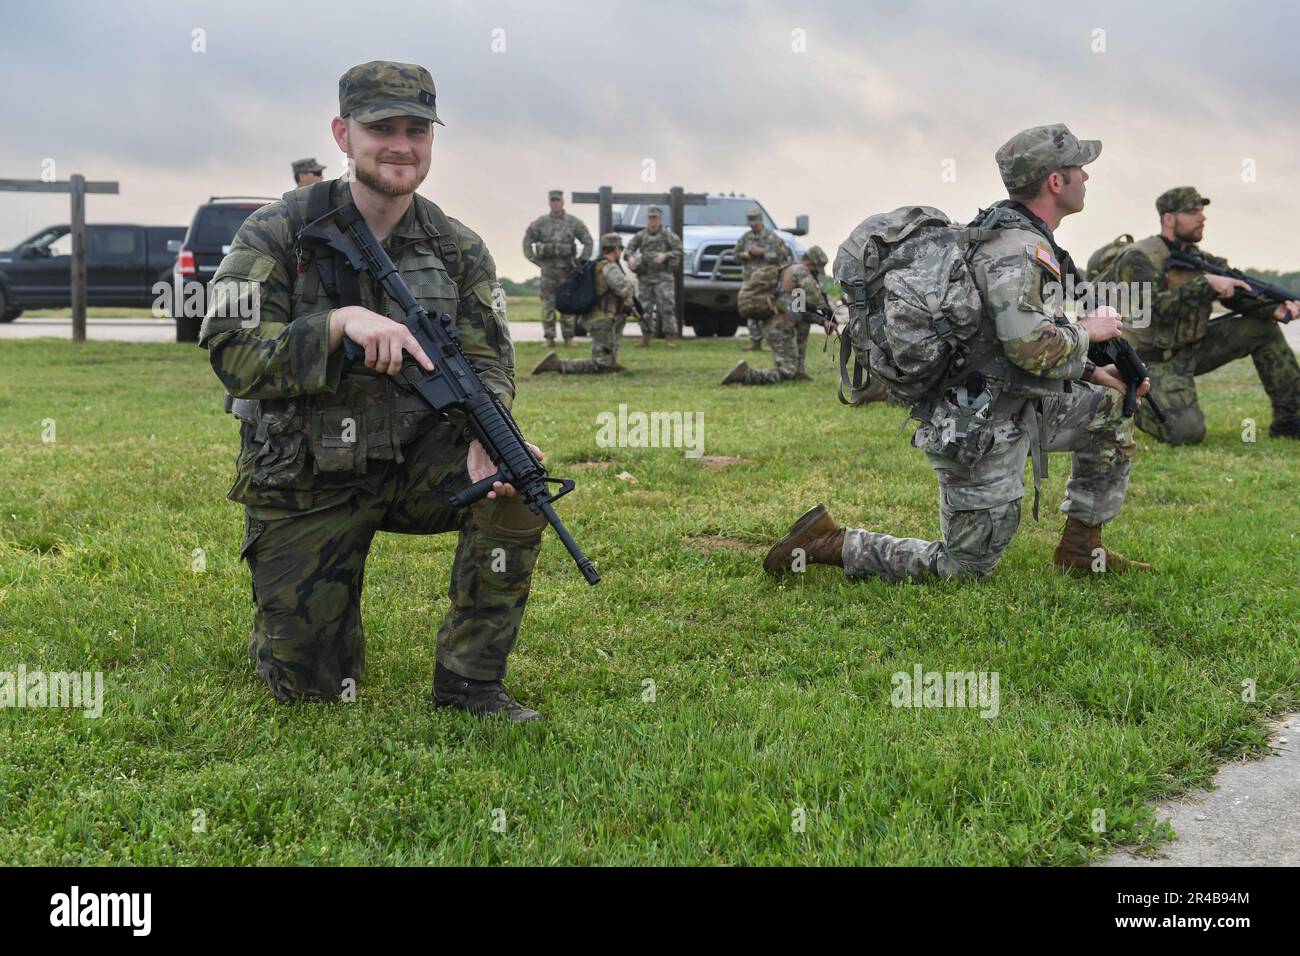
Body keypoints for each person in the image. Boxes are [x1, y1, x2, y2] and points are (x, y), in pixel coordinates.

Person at [200, 60, 546, 721]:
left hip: (416, 459)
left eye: (417, 130)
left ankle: (471, 683)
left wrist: (487, 434)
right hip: (306, 472)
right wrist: (335, 326)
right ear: (342, 133)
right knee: (314, 687)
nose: (400, 145)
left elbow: (489, 359)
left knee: (519, 481)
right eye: (380, 127)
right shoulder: (277, 231)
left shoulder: (458, 246)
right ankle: (289, 619)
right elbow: (231, 352)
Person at [766, 124, 1151, 583]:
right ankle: (828, 541)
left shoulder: (1012, 236)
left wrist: (1093, 373)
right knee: (963, 568)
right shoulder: (1016, 250)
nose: (1086, 178)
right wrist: (1088, 330)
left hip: (1012, 404)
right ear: (1054, 181)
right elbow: (1029, 346)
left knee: (1111, 407)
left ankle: (1081, 548)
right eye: (1079, 170)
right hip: (976, 423)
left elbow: (996, 342)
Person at [1108, 187, 1300, 443]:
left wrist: (1274, 308)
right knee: (1187, 434)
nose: (1202, 217)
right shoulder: (1140, 257)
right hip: (1150, 360)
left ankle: (1290, 420)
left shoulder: (1199, 259)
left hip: (1191, 349)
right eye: (1192, 212)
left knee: (1261, 327)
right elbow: (1152, 311)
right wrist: (1206, 285)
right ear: (1168, 218)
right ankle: (1131, 398)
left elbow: (1239, 292)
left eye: (1201, 211)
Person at [722, 246, 834, 384]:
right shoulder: (800, 271)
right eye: (815, 270)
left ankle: (799, 372)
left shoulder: (788, 272)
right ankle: (745, 375)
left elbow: (802, 312)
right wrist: (828, 311)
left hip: (776, 326)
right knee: (786, 373)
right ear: (810, 264)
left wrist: (823, 321)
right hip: (779, 327)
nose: (814, 274)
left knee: (803, 326)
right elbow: (815, 298)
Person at [532, 233, 636, 375]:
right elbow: (624, 288)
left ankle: (612, 364)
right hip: (601, 320)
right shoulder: (609, 267)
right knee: (601, 366)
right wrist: (630, 295)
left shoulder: (593, 266)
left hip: (593, 318)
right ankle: (556, 364)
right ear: (616, 249)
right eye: (620, 249)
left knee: (609, 362)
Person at [522, 190, 593, 349]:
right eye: (552, 200)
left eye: (558, 200)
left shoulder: (573, 222)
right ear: (549, 202)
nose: (555, 203)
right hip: (548, 271)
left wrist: (582, 261)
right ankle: (549, 338)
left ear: (562, 202)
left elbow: (587, 240)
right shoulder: (541, 223)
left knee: (566, 304)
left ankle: (568, 338)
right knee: (548, 305)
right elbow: (527, 241)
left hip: (567, 271)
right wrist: (534, 259)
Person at [732, 208, 791, 350]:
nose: (753, 225)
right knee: (751, 310)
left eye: (755, 222)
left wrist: (764, 253)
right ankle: (755, 342)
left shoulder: (772, 237)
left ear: (760, 220)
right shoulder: (746, 237)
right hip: (750, 281)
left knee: (769, 310)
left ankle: (773, 341)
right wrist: (748, 254)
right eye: (751, 223)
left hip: (767, 282)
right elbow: (735, 255)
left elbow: (783, 255)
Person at [626, 205, 684, 347]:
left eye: (655, 218)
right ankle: (646, 338)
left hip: (664, 277)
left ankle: (670, 338)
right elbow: (628, 249)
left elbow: (680, 251)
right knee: (644, 308)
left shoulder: (669, 236)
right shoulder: (641, 235)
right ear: (647, 219)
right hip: (645, 277)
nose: (653, 221)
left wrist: (666, 255)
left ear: (660, 219)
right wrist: (631, 257)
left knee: (667, 307)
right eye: (651, 218)